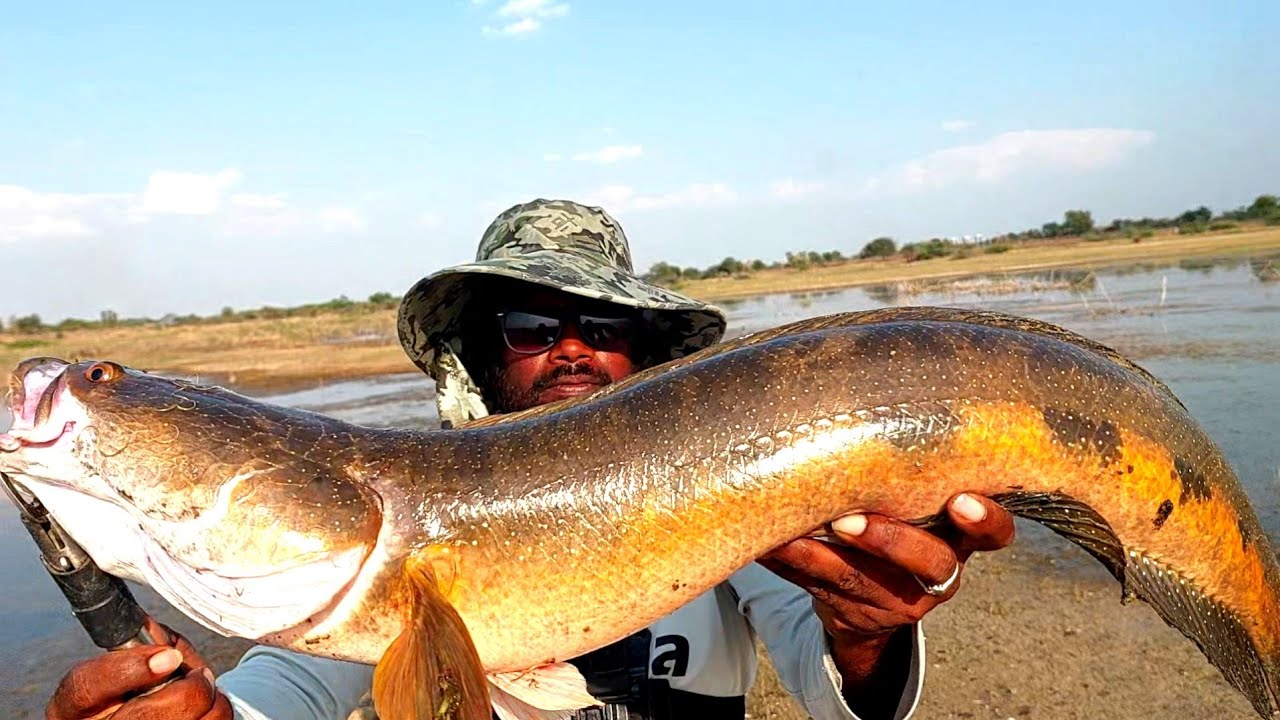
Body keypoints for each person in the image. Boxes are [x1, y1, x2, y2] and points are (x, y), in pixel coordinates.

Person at [43, 199, 1015, 720]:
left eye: (602, 322)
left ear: (645, 349)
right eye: (529, 323)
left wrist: (864, 632)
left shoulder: (734, 484)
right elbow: (288, 688)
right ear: (479, 351)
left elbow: (830, 689)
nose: (570, 346)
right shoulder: (393, 516)